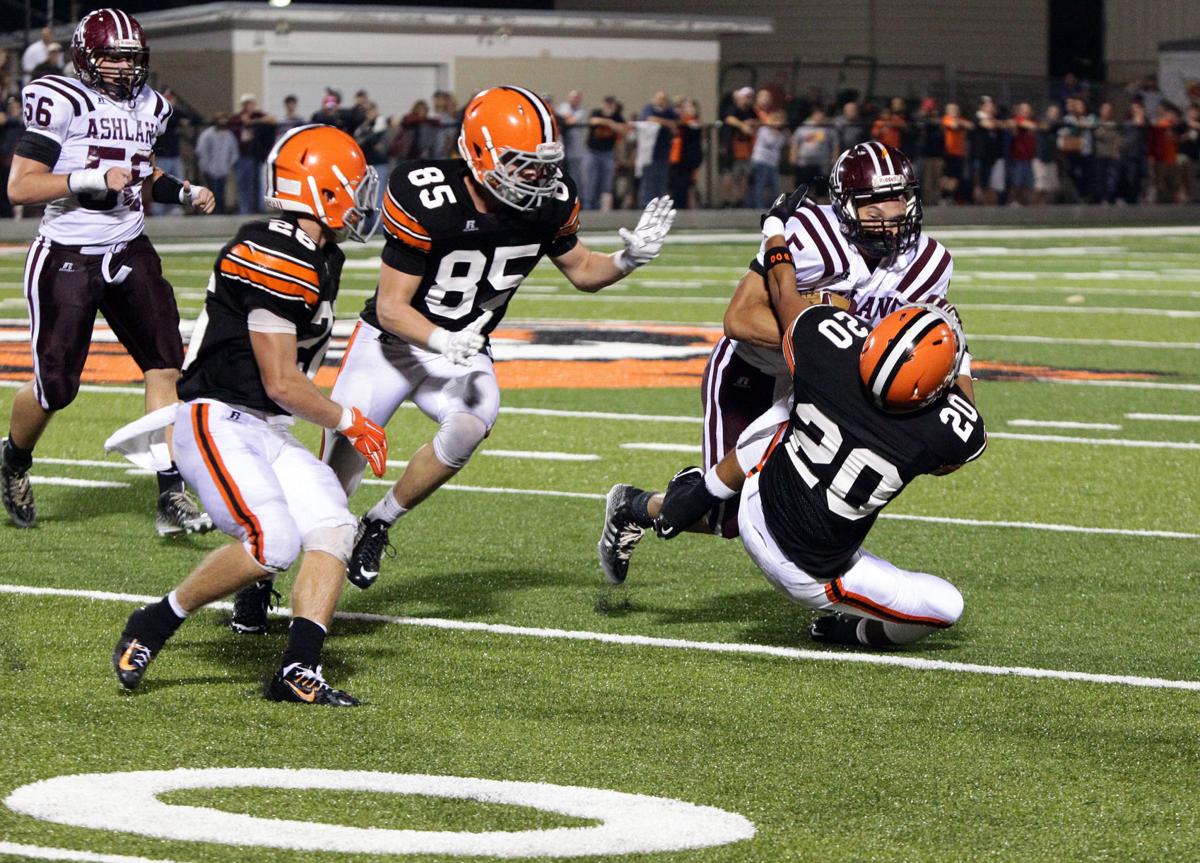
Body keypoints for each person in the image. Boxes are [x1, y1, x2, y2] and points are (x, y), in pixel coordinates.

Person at [308, 84, 676, 596]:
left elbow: (583, 270)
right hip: (393, 344)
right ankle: (261, 576)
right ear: (480, 154)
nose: (539, 176)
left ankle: (381, 522)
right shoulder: (427, 192)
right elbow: (392, 307)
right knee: (333, 478)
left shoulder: (549, 202)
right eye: (523, 164)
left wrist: (626, 260)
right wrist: (439, 339)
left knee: (471, 424)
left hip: (463, 344)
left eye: (544, 164)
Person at [111, 124, 388, 705]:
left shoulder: (316, 252)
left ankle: (297, 670)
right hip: (215, 419)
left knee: (334, 527)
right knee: (274, 542)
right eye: (354, 187)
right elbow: (282, 381)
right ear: (323, 191)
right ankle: (154, 621)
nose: (363, 200)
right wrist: (350, 421)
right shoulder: (277, 252)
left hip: (267, 428)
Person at [599, 142, 962, 584]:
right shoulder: (810, 233)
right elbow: (739, 318)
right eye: (873, 204)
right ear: (846, 206)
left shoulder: (929, 263)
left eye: (899, 198)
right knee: (726, 519)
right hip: (754, 374)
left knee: (825, 504)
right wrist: (827, 347)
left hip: (825, 392)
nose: (891, 214)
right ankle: (636, 506)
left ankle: (844, 592)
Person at [639, 301, 985, 648]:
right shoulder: (941, 433)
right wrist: (963, 361)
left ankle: (700, 495)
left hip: (756, 498)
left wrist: (777, 255)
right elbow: (961, 431)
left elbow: (794, 318)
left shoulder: (826, 349)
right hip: (807, 572)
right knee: (946, 606)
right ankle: (855, 633)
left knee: (789, 410)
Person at [0, 9, 217, 535]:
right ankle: (13, 459)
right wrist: (90, 176)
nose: (125, 67)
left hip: (128, 247)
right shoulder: (62, 100)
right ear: (85, 57)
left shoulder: (150, 105)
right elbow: (21, 187)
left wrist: (180, 191)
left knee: (166, 365)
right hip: (67, 254)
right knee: (57, 387)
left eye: (132, 57)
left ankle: (171, 494)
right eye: (113, 56)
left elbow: (140, 174)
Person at [638, 90, 679, 206]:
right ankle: (646, 205)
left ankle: (659, 205)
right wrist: (667, 123)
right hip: (649, 152)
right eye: (659, 99)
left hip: (664, 151)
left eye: (663, 99)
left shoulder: (669, 112)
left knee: (661, 181)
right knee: (649, 181)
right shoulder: (649, 108)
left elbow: (676, 123)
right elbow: (650, 119)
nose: (661, 102)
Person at [584, 96, 624, 210]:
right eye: (607, 103)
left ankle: (603, 208)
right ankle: (588, 207)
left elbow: (622, 129)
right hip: (593, 152)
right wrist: (609, 122)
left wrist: (612, 123)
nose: (609, 106)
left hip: (608, 153)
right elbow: (593, 121)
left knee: (606, 182)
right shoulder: (596, 112)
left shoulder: (617, 116)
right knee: (591, 181)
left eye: (611, 104)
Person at [196, 114, 238, 214]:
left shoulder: (229, 135)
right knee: (212, 191)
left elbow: (234, 152)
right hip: (209, 169)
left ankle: (221, 211)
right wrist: (205, 166)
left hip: (223, 169)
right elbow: (201, 150)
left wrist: (229, 164)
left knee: (221, 191)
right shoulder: (207, 135)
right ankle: (212, 211)